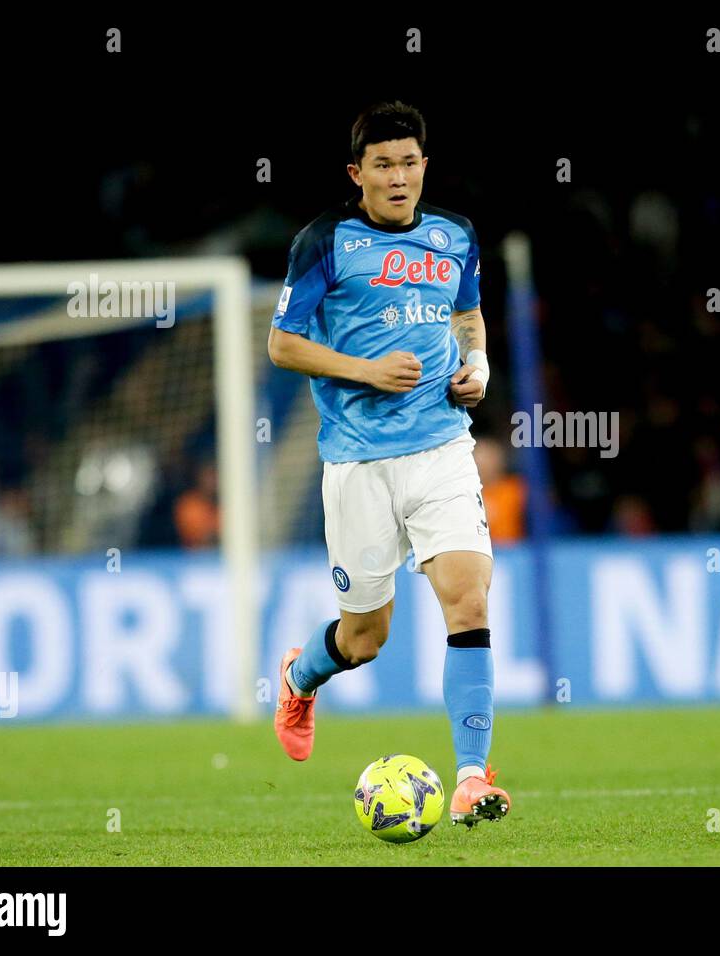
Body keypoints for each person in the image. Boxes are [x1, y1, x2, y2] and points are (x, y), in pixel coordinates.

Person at [266, 101, 509, 828]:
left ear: (423, 166)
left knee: (467, 602)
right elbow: (283, 344)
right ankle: (301, 675)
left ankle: (472, 779)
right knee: (366, 637)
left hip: (441, 447)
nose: (398, 177)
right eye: (383, 165)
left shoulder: (454, 235)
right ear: (357, 172)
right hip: (358, 462)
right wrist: (365, 370)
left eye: (409, 162)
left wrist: (479, 365)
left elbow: (467, 313)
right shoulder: (325, 242)